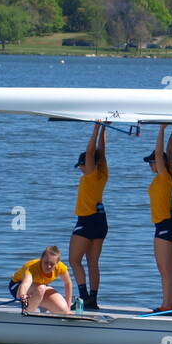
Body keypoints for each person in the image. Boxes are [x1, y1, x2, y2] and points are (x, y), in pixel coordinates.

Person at [68, 122, 108, 310]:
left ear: (86, 164)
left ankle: (83, 297)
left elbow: (92, 152)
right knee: (93, 262)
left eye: (81, 166)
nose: (81, 169)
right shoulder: (102, 172)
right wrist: (103, 130)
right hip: (100, 221)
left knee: (74, 260)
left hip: (87, 220)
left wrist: (96, 128)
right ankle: (93, 299)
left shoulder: (91, 174)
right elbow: (102, 151)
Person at [146, 123, 172, 311]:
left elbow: (162, 154)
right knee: (166, 268)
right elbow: (170, 152)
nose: (151, 165)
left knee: (166, 269)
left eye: (152, 162)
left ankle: (167, 305)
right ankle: (169, 303)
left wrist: (161, 130)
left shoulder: (165, 176)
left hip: (165, 224)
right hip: (163, 225)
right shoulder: (166, 176)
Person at [10, 246, 73, 315]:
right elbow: (25, 284)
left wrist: (68, 306)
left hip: (40, 286)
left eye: (52, 264)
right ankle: (28, 313)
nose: (48, 266)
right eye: (46, 262)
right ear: (41, 259)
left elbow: (68, 283)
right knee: (41, 288)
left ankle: (40, 303)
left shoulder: (61, 267)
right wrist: (23, 296)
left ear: (57, 263)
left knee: (63, 311)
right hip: (18, 286)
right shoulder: (32, 267)